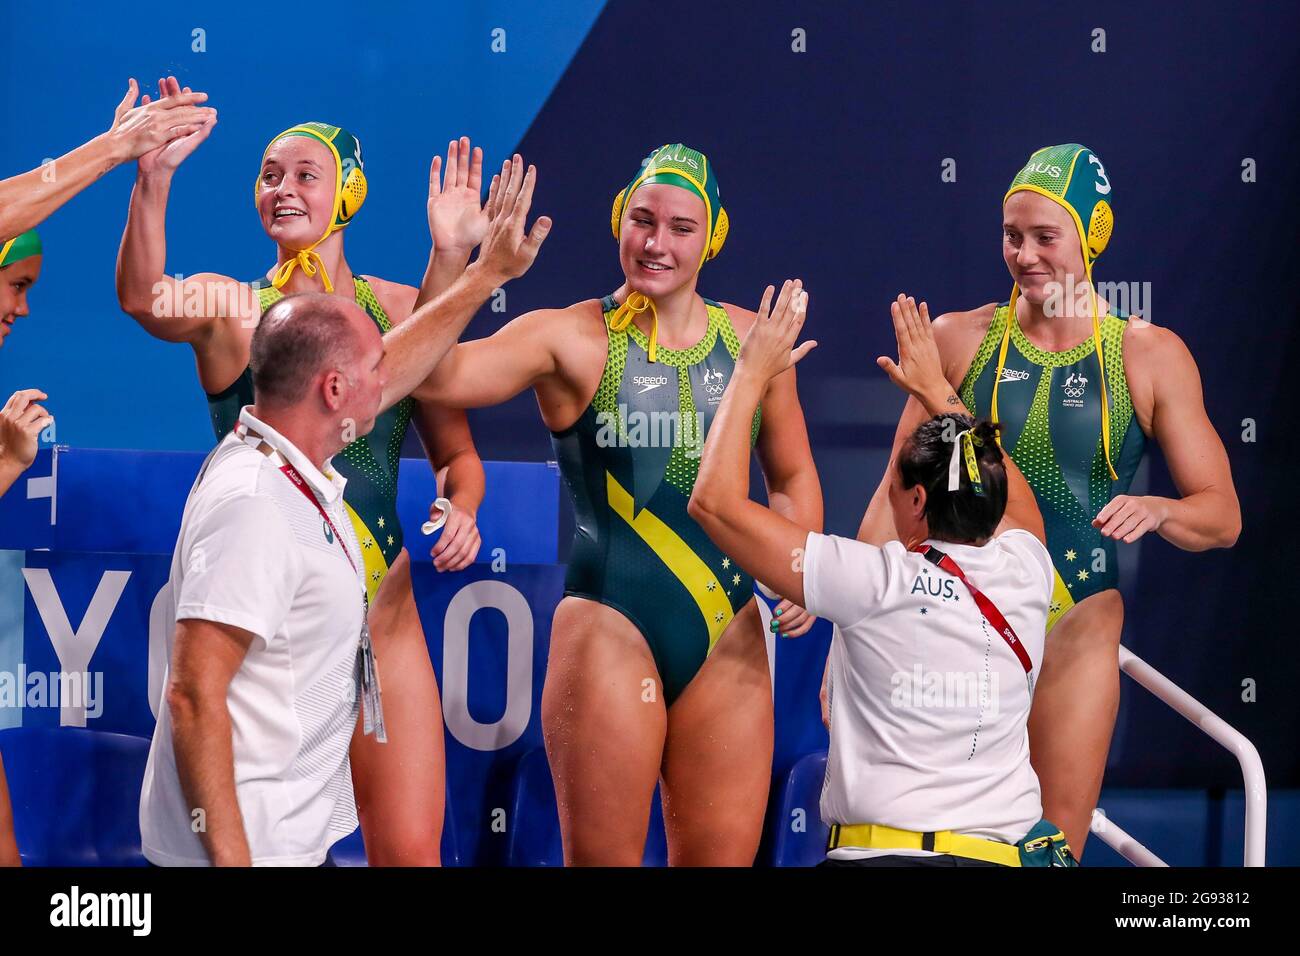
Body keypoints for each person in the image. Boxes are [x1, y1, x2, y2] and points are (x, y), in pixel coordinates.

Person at [117, 81, 539, 862]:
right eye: (270, 175)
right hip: (280, 620)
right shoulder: (234, 309)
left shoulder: (396, 308)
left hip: (385, 617)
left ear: (349, 191)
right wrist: (151, 177)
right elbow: (144, 298)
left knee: (407, 851)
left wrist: (463, 505)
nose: (283, 188)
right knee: (268, 839)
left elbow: (456, 451)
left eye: (305, 173)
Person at [415, 144, 823, 865]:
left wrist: (797, 557)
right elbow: (437, 376)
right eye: (641, 220)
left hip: (726, 637)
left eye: (680, 227)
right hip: (610, 625)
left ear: (713, 238)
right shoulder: (571, 337)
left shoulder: (752, 346)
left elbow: (790, 475)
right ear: (617, 221)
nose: (656, 243)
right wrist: (460, 263)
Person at [835, 145, 1241, 855]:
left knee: (1051, 847)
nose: (1024, 256)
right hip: (958, 624)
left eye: (1045, 237)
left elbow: (1223, 515)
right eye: (1012, 235)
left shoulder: (1147, 355)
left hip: (1074, 624)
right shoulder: (959, 339)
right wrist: (850, 628)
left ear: (1094, 233)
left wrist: (1164, 510)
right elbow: (897, 499)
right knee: (946, 840)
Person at [691, 286, 1074, 867]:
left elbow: (714, 504)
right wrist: (937, 390)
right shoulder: (1028, 569)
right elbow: (1017, 506)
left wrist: (751, 372)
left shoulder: (868, 580)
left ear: (916, 500)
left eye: (892, 484)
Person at [141, 293, 395, 865]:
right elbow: (192, 694)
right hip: (243, 850)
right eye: (376, 366)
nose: (385, 382)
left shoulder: (295, 477)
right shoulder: (256, 503)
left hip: (284, 841)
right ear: (334, 390)